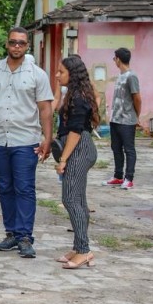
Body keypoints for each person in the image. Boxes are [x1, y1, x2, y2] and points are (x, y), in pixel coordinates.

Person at [0, 27, 53, 259]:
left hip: (26, 141)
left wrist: (47, 138)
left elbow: (45, 109)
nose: (16, 46)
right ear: (6, 45)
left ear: (27, 46)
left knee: (25, 188)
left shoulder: (37, 74)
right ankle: (11, 233)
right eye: (12, 42)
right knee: (5, 188)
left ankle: (25, 237)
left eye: (21, 43)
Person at [53, 56, 99, 269]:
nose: (57, 75)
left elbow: (75, 131)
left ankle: (84, 250)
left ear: (72, 74)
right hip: (77, 148)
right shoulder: (74, 94)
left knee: (70, 199)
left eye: (61, 72)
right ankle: (78, 247)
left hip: (79, 149)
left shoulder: (78, 98)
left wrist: (63, 160)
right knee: (78, 200)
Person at [102, 48, 141, 190]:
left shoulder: (132, 76)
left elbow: (137, 98)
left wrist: (137, 115)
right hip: (116, 119)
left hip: (127, 120)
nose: (114, 61)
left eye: (114, 58)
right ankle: (118, 176)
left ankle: (129, 178)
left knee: (129, 149)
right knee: (116, 148)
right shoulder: (120, 75)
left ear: (118, 59)